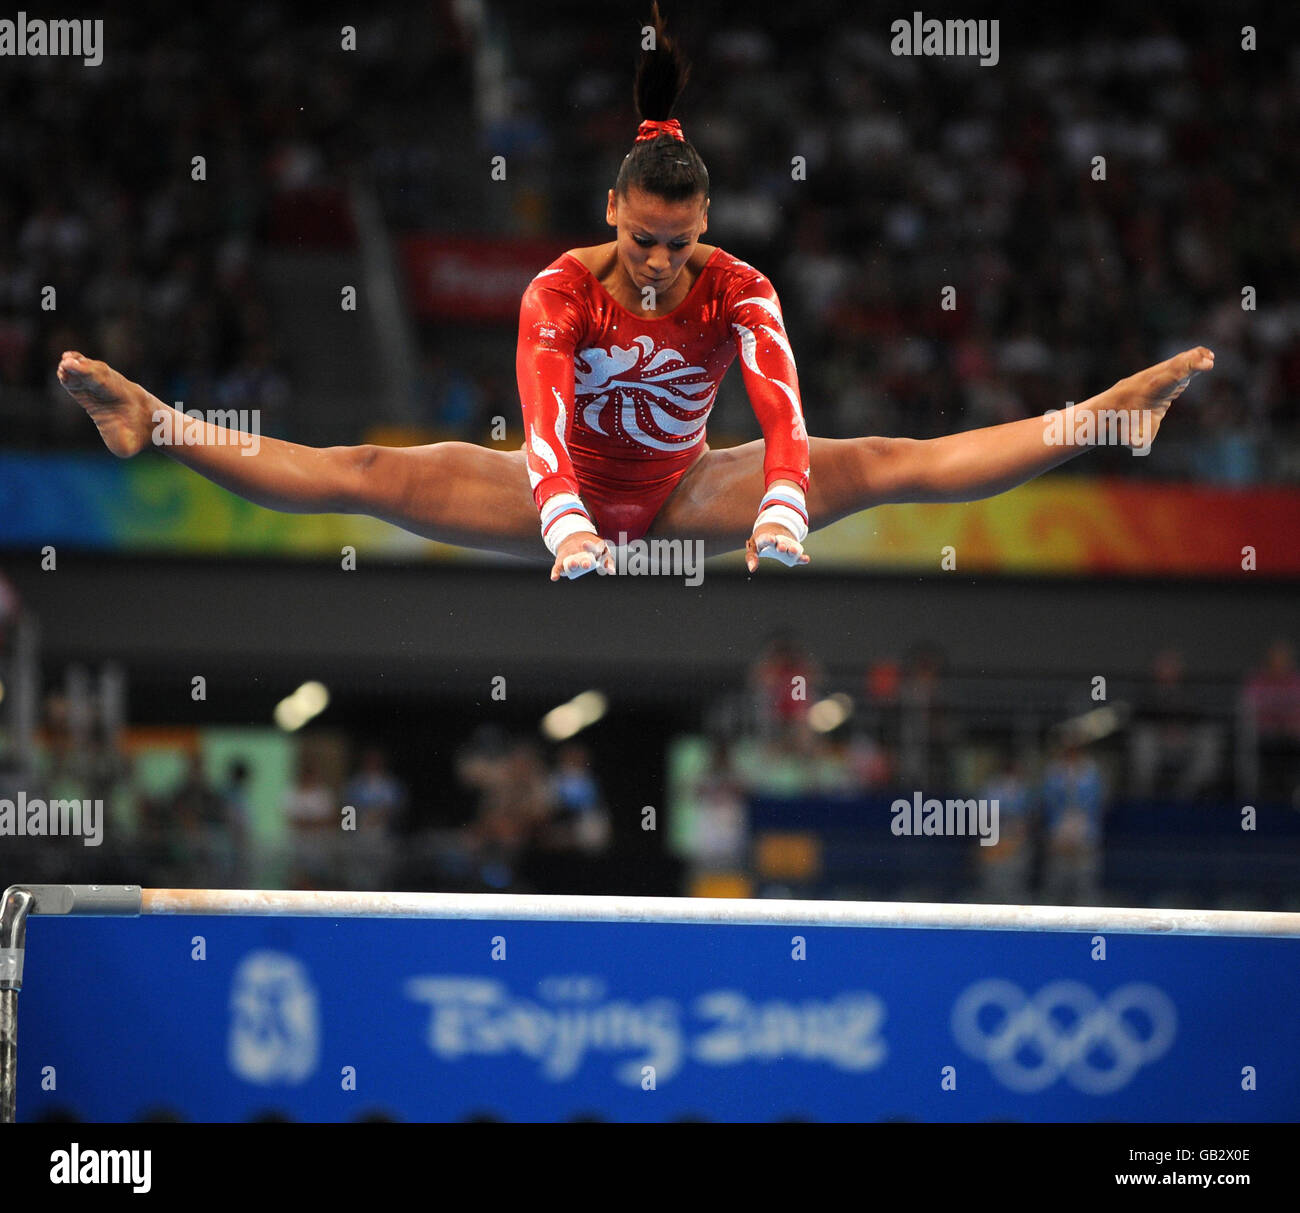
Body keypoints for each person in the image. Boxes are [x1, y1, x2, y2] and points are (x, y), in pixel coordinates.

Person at [53, 6, 1214, 583]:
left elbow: (784, 421)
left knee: (891, 456)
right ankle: (154, 420)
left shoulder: (740, 290)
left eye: (680, 243)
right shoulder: (559, 291)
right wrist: (561, 522)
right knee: (360, 473)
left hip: (681, 496)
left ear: (703, 226)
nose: (661, 265)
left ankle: (1107, 414)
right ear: (613, 213)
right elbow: (544, 426)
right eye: (645, 241)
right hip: (547, 495)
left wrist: (777, 512)